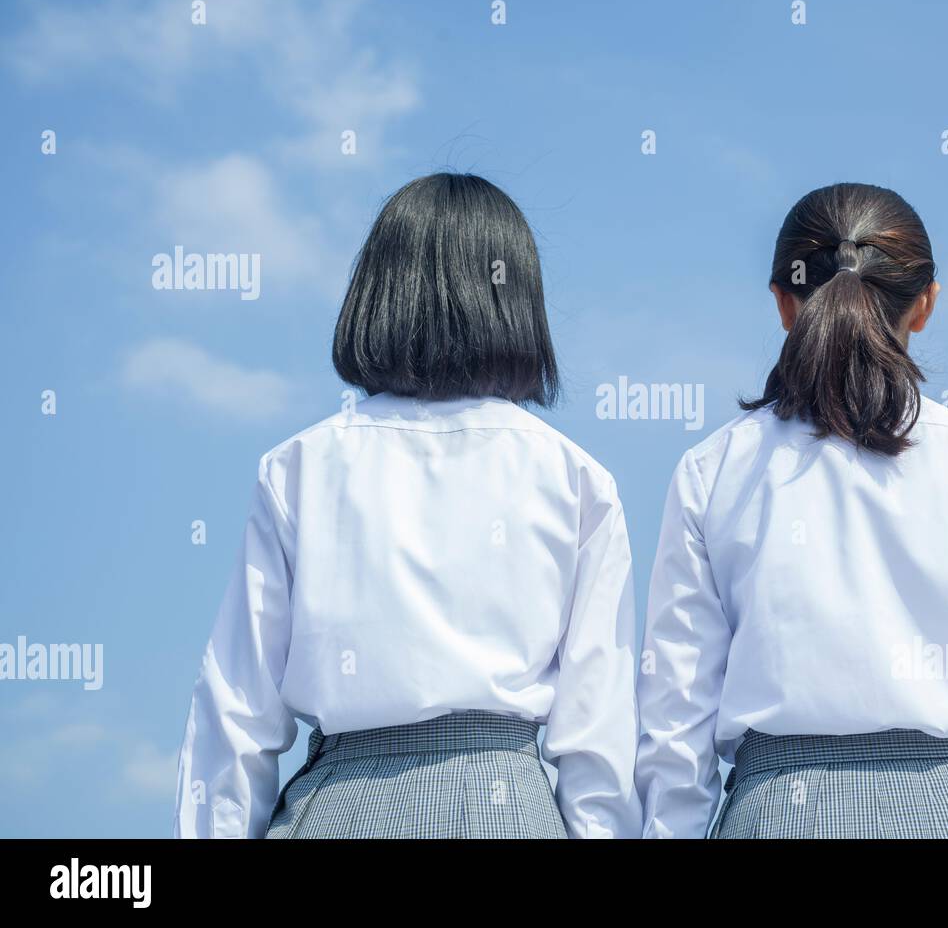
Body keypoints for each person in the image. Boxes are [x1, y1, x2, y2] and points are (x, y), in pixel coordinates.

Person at [174, 173, 640, 839]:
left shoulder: (298, 467)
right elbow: (598, 738)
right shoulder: (577, 479)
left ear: (376, 292)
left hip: (337, 808)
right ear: (519, 301)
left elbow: (236, 716)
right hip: (509, 808)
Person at [635, 183, 948, 839]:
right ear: (926, 304)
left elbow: (675, 732)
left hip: (781, 815)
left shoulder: (713, 473)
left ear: (781, 302)